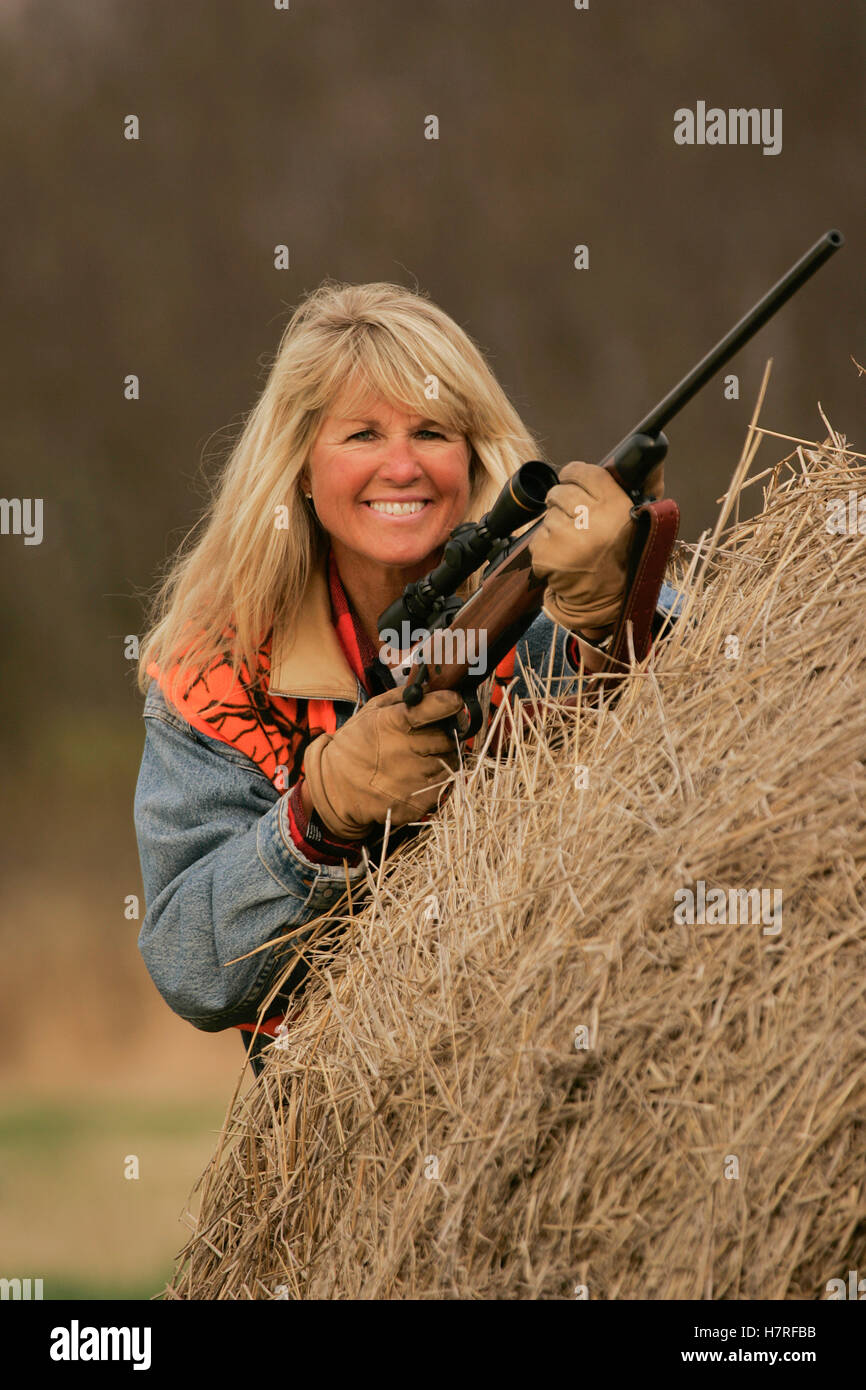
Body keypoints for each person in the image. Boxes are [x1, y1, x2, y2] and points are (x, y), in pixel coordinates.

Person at [134, 281, 670, 1074]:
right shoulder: (218, 666)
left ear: (474, 456)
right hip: (346, 1123)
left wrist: (615, 627)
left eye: (430, 430)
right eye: (360, 434)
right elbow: (190, 967)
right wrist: (319, 820)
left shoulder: (564, 582)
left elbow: (697, 796)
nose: (401, 465)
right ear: (302, 470)